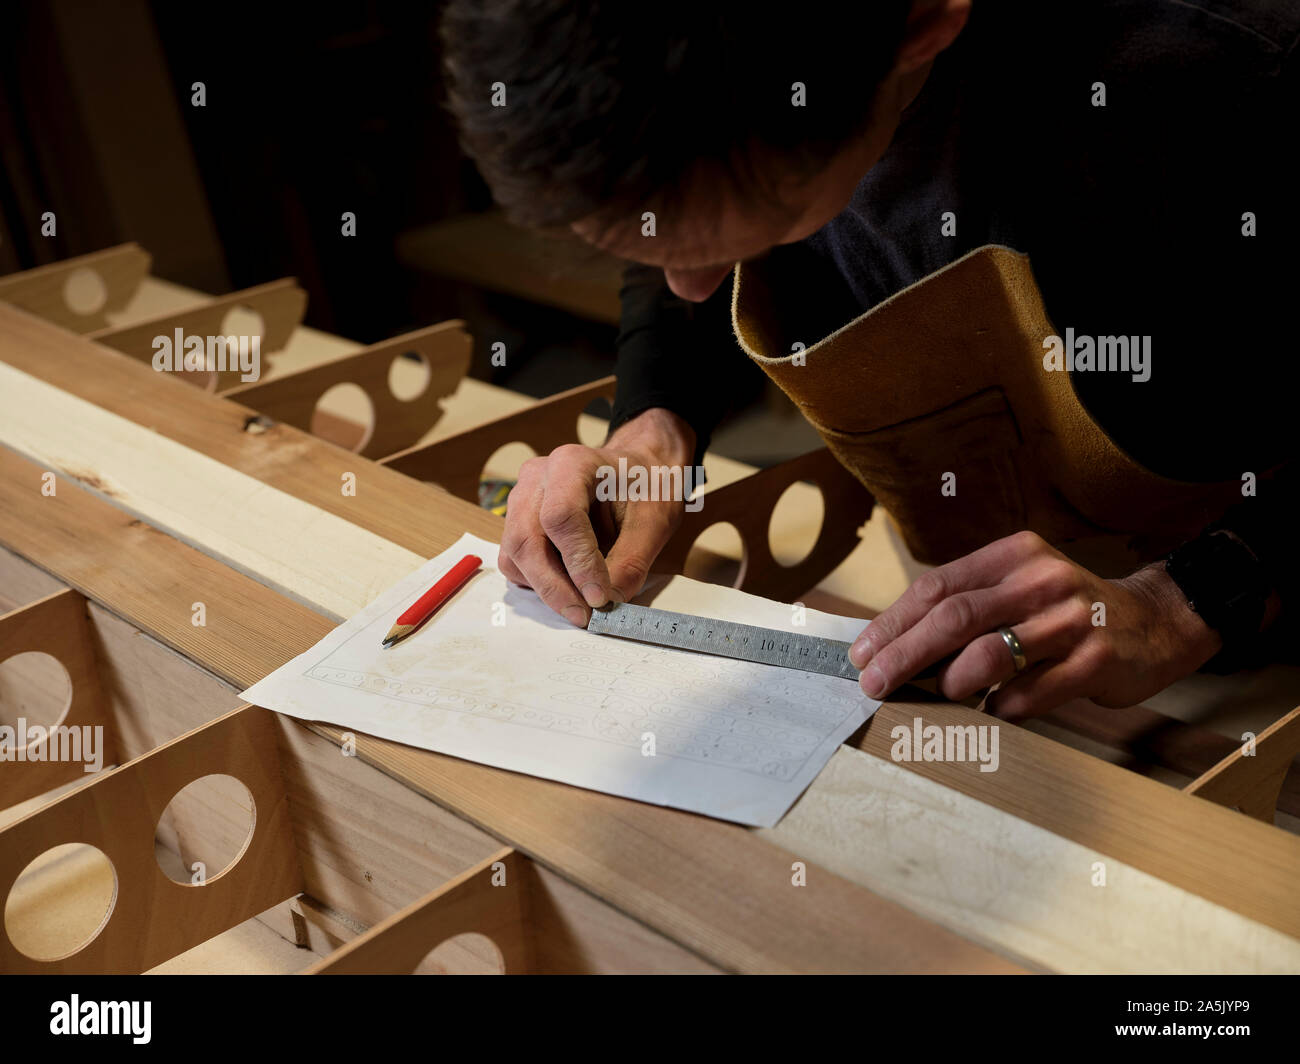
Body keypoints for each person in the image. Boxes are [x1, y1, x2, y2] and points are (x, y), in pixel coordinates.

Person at [440, 0, 1296, 717]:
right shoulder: (743, 86)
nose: (691, 287)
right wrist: (651, 430)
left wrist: (1186, 603)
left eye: (768, 220)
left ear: (926, 26)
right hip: (986, 639)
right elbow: (685, 203)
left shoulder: (1222, 85)